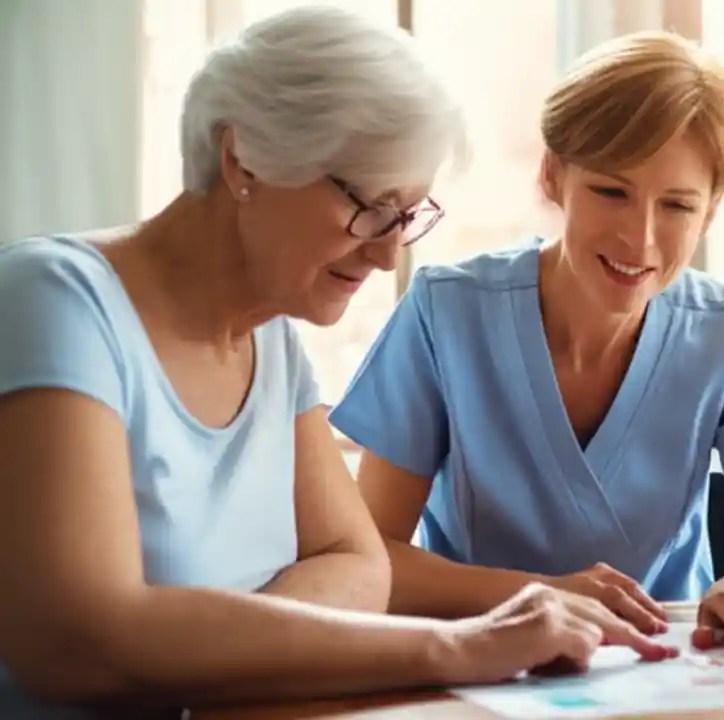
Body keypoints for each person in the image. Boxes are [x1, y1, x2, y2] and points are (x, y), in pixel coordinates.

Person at [0, 8, 673, 718]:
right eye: (372, 207)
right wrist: (455, 648)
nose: (388, 253)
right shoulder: (54, 301)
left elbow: (360, 564)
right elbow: (76, 642)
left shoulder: (272, 341)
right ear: (244, 159)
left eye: (408, 215)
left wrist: (203, 644)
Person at [330, 30, 724, 664]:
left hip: (667, 671)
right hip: (475, 662)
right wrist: (542, 596)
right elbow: (370, 559)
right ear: (553, 174)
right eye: (611, 192)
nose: (639, 239)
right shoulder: (445, 314)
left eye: (677, 205)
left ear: (711, 212)